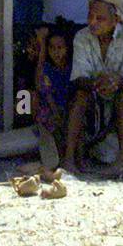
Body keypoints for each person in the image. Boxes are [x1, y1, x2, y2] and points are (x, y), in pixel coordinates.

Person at [62, 0, 123, 174]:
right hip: (93, 98)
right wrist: (96, 84)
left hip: (122, 101)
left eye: (100, 19)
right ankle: (69, 160)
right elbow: (78, 78)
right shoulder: (81, 37)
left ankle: (122, 159)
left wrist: (115, 81)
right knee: (80, 95)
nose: (93, 22)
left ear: (116, 19)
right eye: (90, 16)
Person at [34, 25, 73, 168]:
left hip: (68, 108)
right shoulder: (47, 69)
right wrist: (56, 111)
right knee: (26, 96)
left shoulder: (71, 68)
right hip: (50, 109)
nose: (56, 52)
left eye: (60, 48)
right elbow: (44, 90)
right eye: (52, 48)